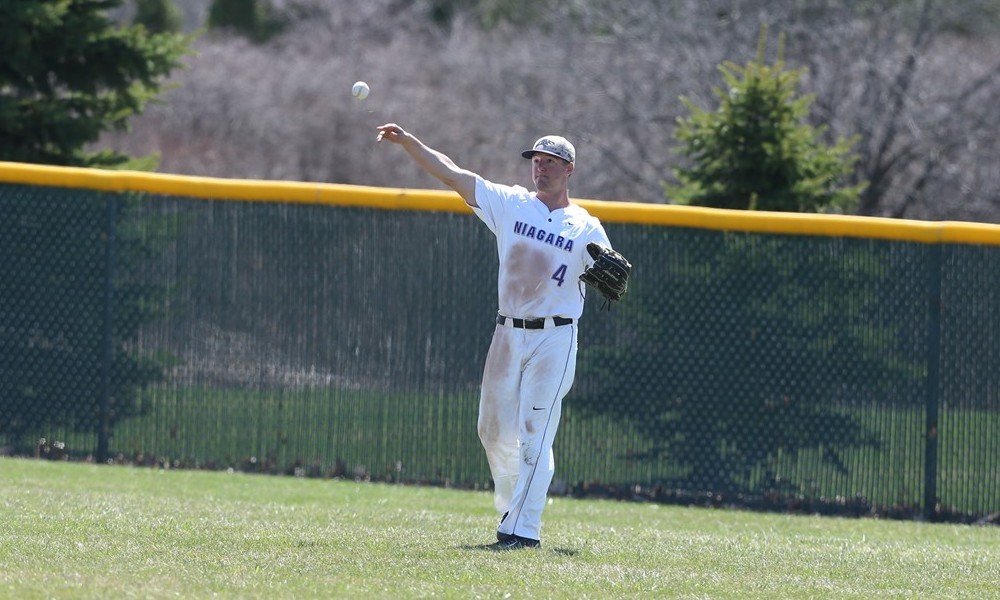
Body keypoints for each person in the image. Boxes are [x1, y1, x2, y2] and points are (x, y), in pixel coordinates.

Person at [376, 123, 616, 550]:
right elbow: (452, 174)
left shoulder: (586, 227)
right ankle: (513, 505)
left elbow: (607, 271)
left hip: (555, 338)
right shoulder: (511, 204)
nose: (540, 168)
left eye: (550, 162)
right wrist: (410, 143)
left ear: (570, 169)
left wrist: (605, 273)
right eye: (536, 161)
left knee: (535, 430)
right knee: (491, 430)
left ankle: (523, 531)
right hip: (508, 332)